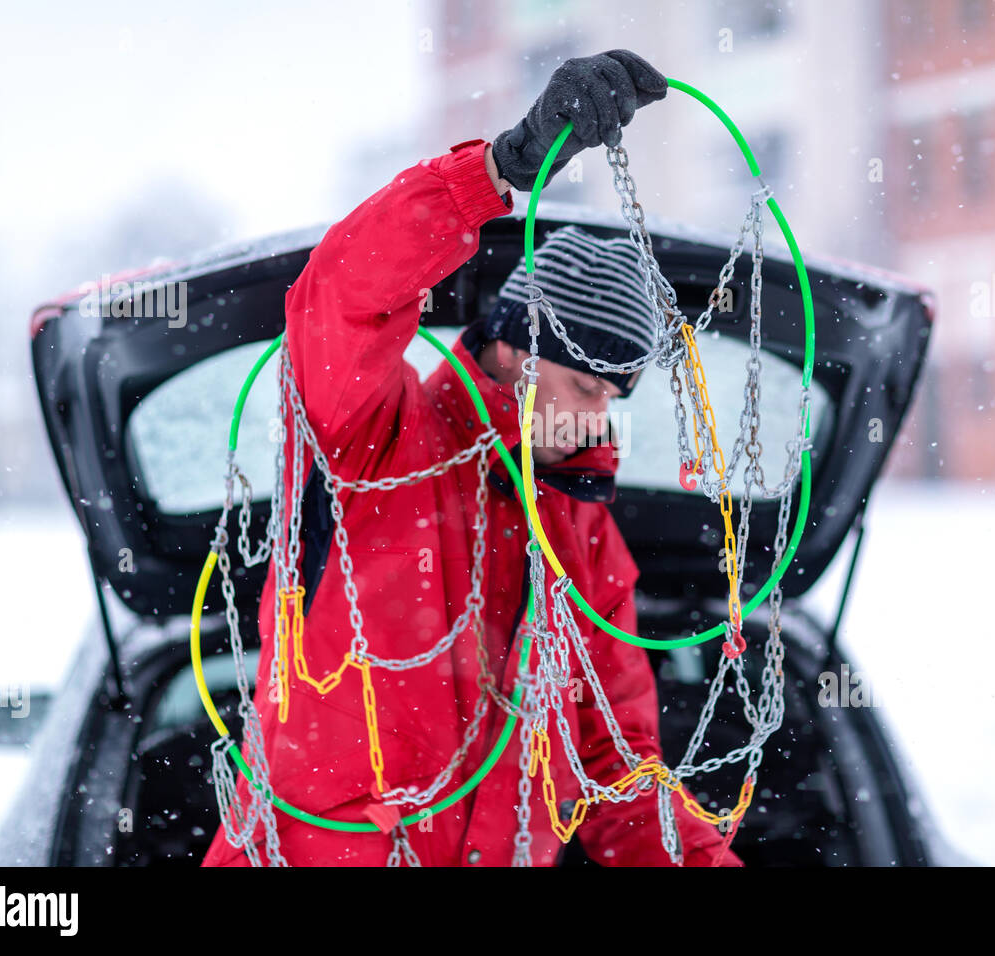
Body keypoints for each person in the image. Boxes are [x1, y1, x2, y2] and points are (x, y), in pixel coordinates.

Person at [201, 50, 743, 867]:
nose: (600, 419)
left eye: (613, 397)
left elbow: (616, 771)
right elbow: (343, 292)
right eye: (584, 386)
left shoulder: (581, 531)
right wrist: (498, 170)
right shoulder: (372, 435)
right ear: (516, 350)